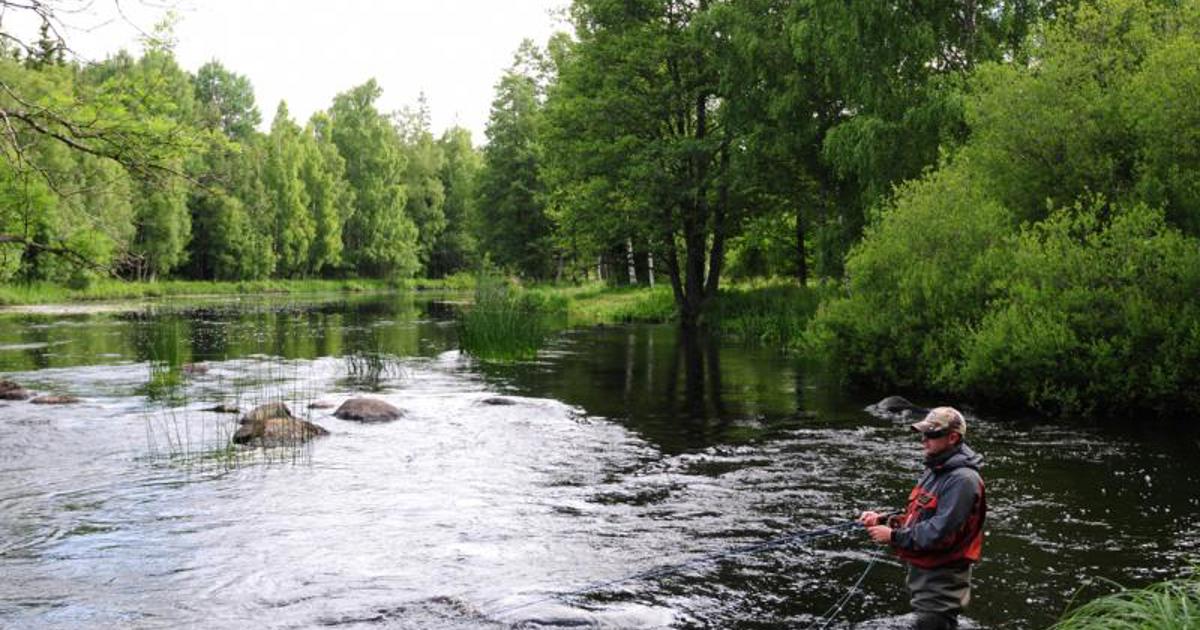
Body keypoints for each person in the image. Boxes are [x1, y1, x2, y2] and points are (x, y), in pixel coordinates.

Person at [859, 406, 987, 630]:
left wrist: (894, 537)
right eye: (922, 434)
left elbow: (940, 532)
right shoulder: (936, 469)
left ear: (953, 437)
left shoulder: (963, 480)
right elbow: (918, 517)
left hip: (942, 584)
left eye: (931, 435)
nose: (923, 440)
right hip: (925, 580)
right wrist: (884, 520)